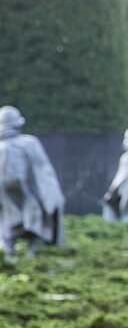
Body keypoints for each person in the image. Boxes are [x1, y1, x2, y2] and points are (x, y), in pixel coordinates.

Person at [0, 106, 64, 257]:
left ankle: (9, 254)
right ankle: (32, 254)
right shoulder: (29, 143)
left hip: (6, 198)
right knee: (37, 219)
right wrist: (52, 198)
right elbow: (44, 172)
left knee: (8, 223)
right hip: (28, 194)